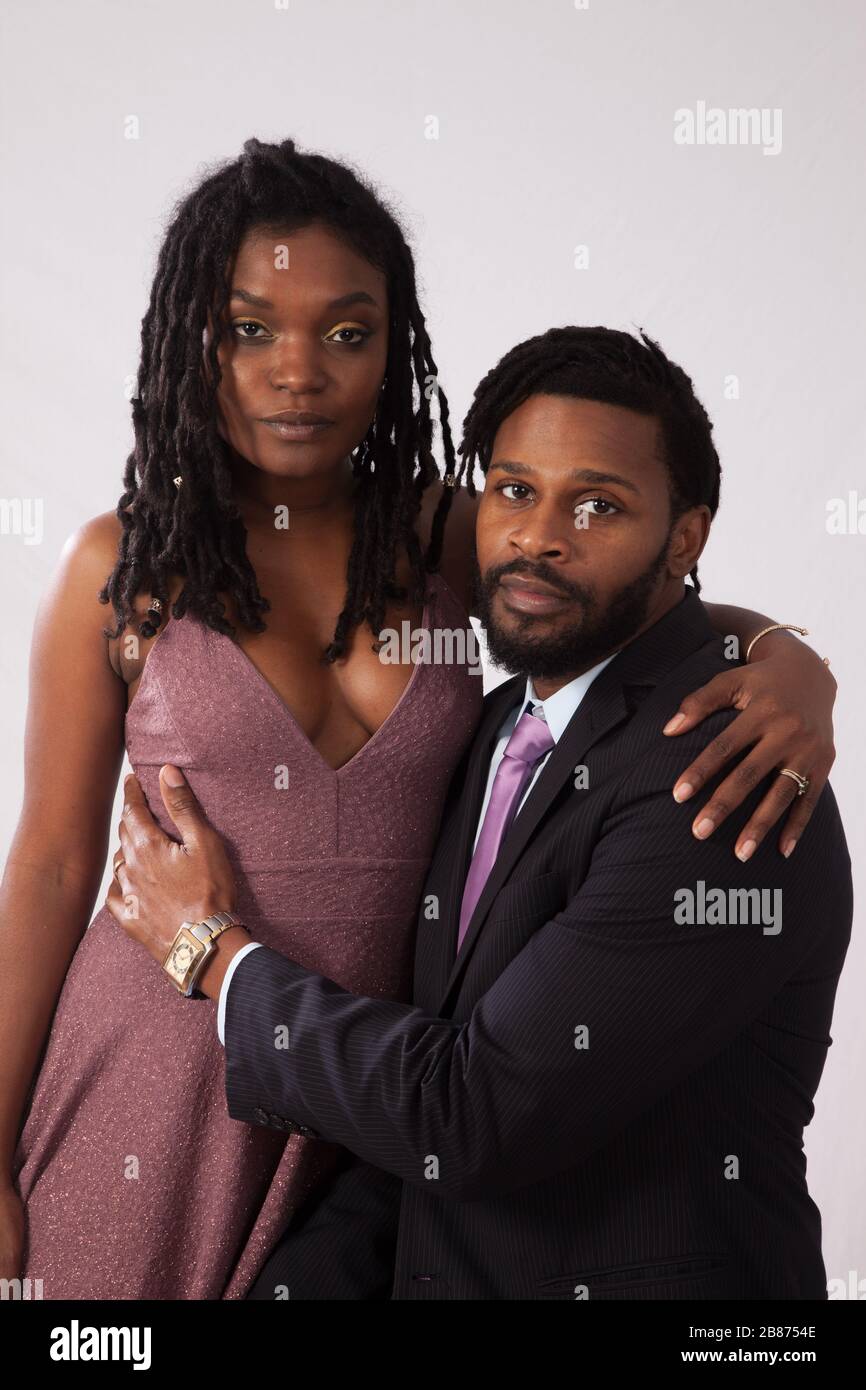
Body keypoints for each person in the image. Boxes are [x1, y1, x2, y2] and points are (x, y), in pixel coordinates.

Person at [1, 131, 835, 1299]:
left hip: (384, 1092)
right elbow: (47, 863)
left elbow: (622, 596)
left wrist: (790, 659)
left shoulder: (447, 531)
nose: (299, 371)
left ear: (393, 349)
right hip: (162, 1064)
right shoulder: (122, 566)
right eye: (250, 328)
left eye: (346, 333)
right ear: (193, 339)